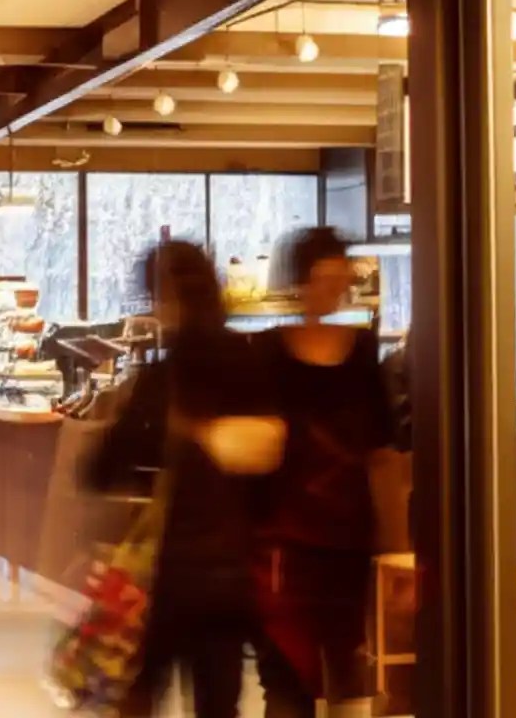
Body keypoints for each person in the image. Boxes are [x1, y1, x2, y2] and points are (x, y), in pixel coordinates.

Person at [84, 240, 285, 718]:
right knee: (218, 704)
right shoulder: (250, 364)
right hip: (233, 573)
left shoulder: (163, 378)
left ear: (163, 298)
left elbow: (103, 469)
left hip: (167, 574)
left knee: (137, 694)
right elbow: (272, 474)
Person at [252, 227, 396, 718]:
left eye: (341, 277)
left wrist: (395, 543)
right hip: (283, 544)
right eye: (324, 277)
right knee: (287, 678)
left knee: (348, 668)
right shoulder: (267, 355)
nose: (335, 289)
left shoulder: (361, 355)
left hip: (348, 542)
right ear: (300, 283)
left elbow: (382, 455)